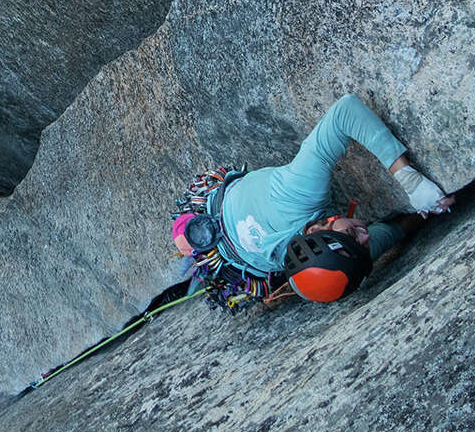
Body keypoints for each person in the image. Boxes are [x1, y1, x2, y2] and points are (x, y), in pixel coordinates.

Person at [169, 93, 452, 306]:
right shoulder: (337, 260)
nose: (365, 236)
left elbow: (345, 112)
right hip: (237, 264)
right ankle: (193, 251)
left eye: (353, 233)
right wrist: (436, 205)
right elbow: (392, 233)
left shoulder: (296, 194)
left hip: (215, 212)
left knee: (186, 238)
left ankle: (189, 241)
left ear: (316, 229)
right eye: (363, 246)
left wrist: (409, 179)